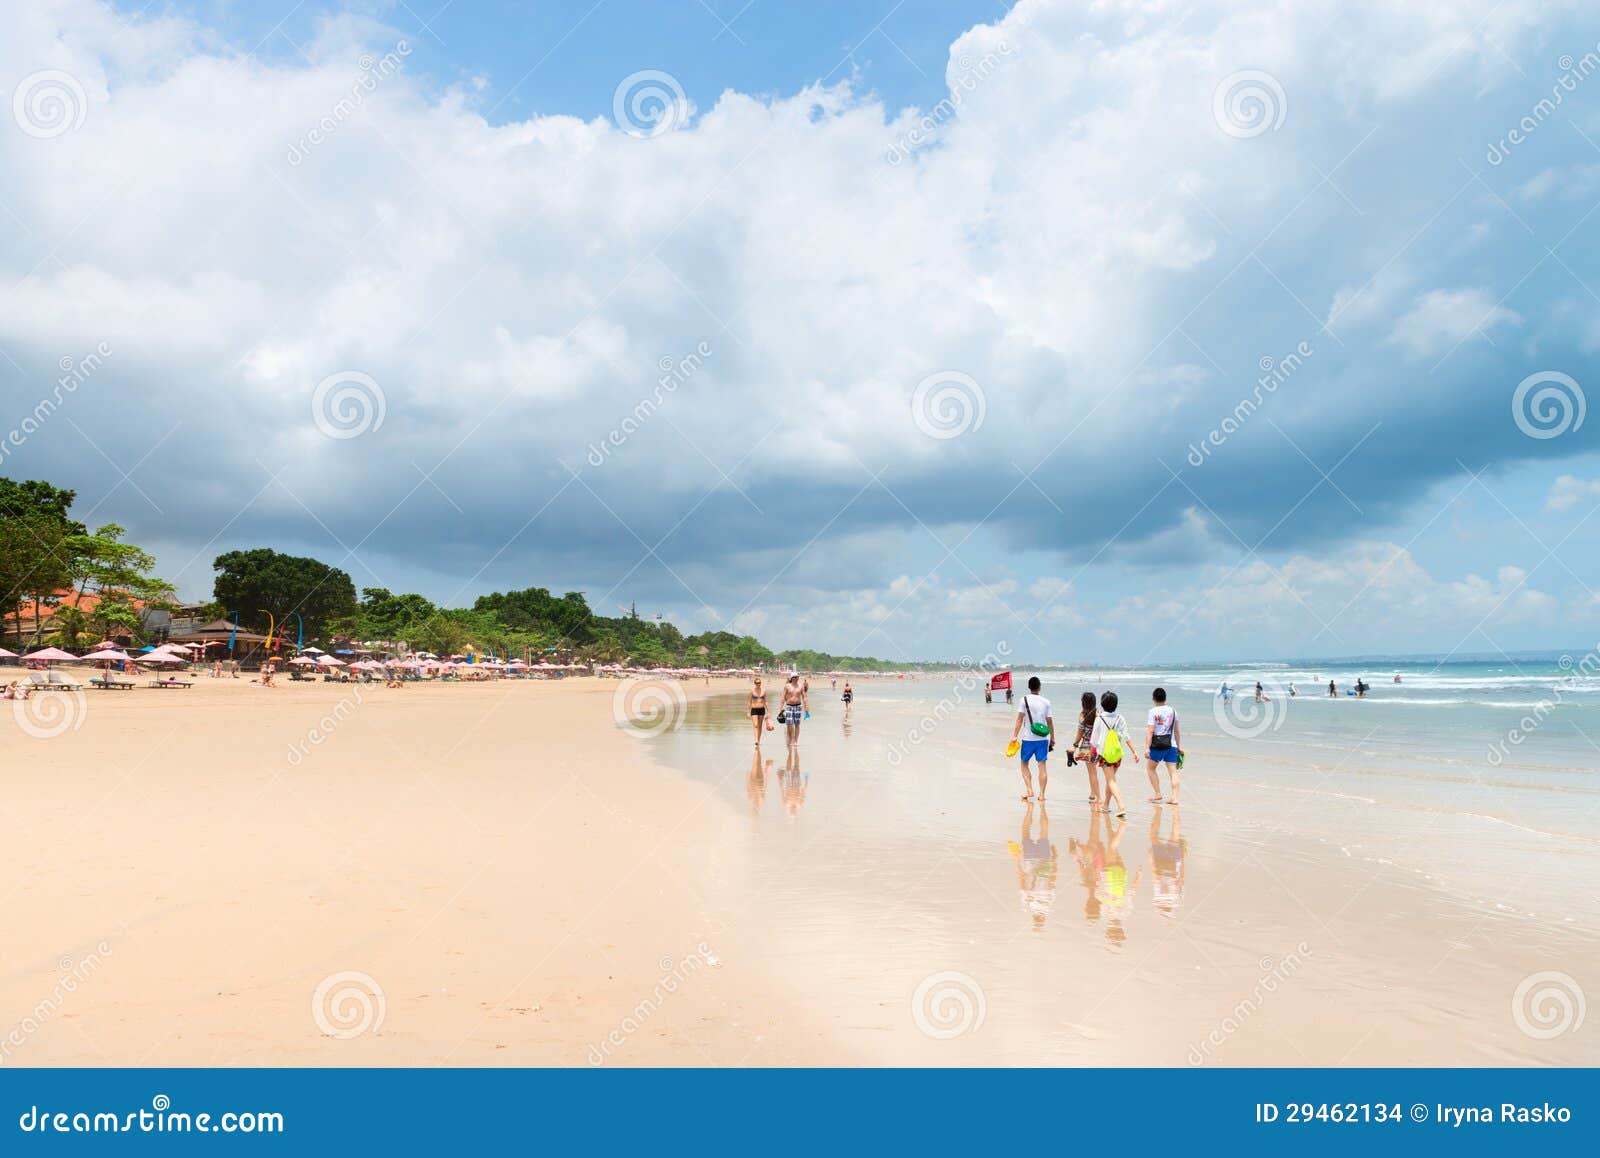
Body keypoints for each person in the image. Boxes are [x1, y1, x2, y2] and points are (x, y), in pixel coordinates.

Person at [1008, 676, 1054, 802]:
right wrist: (1053, 738)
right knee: (1042, 766)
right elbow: (1049, 722)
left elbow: (1019, 719)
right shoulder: (1046, 702)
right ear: (1039, 687)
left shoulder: (1024, 700)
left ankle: (1029, 789)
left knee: (1024, 764)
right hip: (1043, 739)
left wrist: (1014, 736)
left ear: (1029, 687)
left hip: (1028, 739)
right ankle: (1042, 795)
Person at [1090, 690, 1135, 817]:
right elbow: (1126, 737)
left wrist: (1092, 752)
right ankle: (1106, 805)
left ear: (1102, 704)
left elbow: (1093, 740)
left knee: (1111, 781)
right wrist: (1134, 752)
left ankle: (1121, 806)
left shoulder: (1099, 719)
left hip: (1105, 755)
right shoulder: (1120, 718)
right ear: (1116, 704)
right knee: (1111, 780)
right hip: (1117, 755)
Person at [1145, 686, 1181, 804]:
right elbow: (1176, 731)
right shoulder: (1173, 711)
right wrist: (1179, 746)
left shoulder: (1153, 712)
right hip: (1171, 745)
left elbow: (1150, 731)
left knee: (1150, 768)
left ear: (1153, 698)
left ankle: (1158, 793)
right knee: (1173, 772)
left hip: (1157, 745)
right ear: (1165, 698)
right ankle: (1175, 798)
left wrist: (1147, 748)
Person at [1073, 692, 1099, 803]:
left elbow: (1080, 732)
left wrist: (1075, 745)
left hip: (1087, 745)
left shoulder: (1083, 715)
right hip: (1098, 745)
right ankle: (1094, 794)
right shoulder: (1099, 714)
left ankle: (1095, 794)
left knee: (1091, 772)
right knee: (1095, 772)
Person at [780, 674, 808, 747]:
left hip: (798, 706)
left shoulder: (801, 686)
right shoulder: (787, 686)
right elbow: (783, 697)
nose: (796, 678)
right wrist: (781, 707)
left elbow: (804, 697)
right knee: (789, 724)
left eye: (797, 677)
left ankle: (796, 741)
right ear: (792, 678)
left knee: (797, 724)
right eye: (795, 677)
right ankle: (790, 739)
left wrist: (806, 707)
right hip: (789, 706)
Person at [748, 676, 768, 745]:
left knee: (760, 725)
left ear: (761, 683)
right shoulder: (752, 691)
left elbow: (765, 701)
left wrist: (769, 712)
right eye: (757, 683)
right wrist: (748, 712)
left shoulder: (764, 691)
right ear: (755, 683)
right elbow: (749, 702)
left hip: (761, 709)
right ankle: (756, 739)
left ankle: (758, 740)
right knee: (755, 725)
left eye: (759, 683)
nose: (758, 684)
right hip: (754, 709)